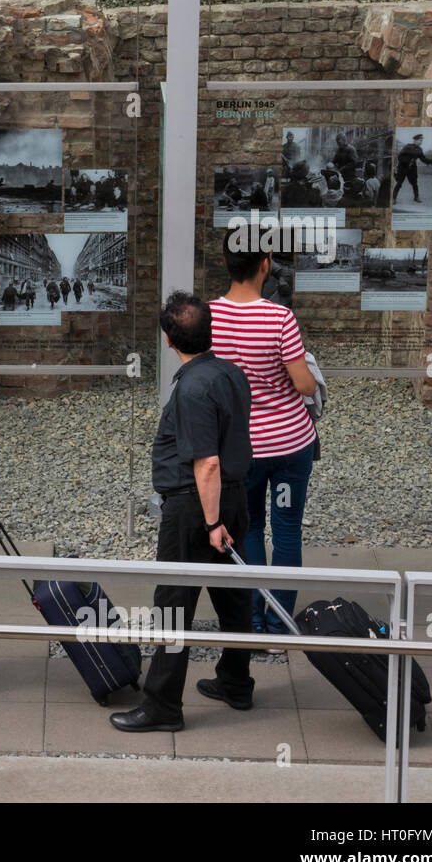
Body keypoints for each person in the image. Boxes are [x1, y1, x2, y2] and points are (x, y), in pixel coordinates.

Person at [110, 292, 254, 733]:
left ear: (169, 340)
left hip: (197, 508)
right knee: (233, 598)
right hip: (234, 496)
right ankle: (235, 681)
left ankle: (162, 708)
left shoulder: (192, 387)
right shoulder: (230, 372)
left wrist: (211, 523)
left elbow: (205, 461)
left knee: (173, 604)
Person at [212, 231, 319, 646]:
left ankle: (254, 621)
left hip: (243, 449)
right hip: (290, 446)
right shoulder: (279, 318)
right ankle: (280, 626)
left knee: (251, 528)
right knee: (288, 531)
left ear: (226, 263)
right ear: (266, 264)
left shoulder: (209, 317)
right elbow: (305, 386)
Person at [393, 133, 432, 204]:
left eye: (421, 140)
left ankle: (416, 197)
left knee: (414, 183)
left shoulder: (419, 149)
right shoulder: (408, 147)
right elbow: (400, 157)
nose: (421, 142)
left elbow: (423, 159)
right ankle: (393, 198)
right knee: (399, 183)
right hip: (403, 167)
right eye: (420, 140)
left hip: (412, 169)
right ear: (415, 140)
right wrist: (408, 162)